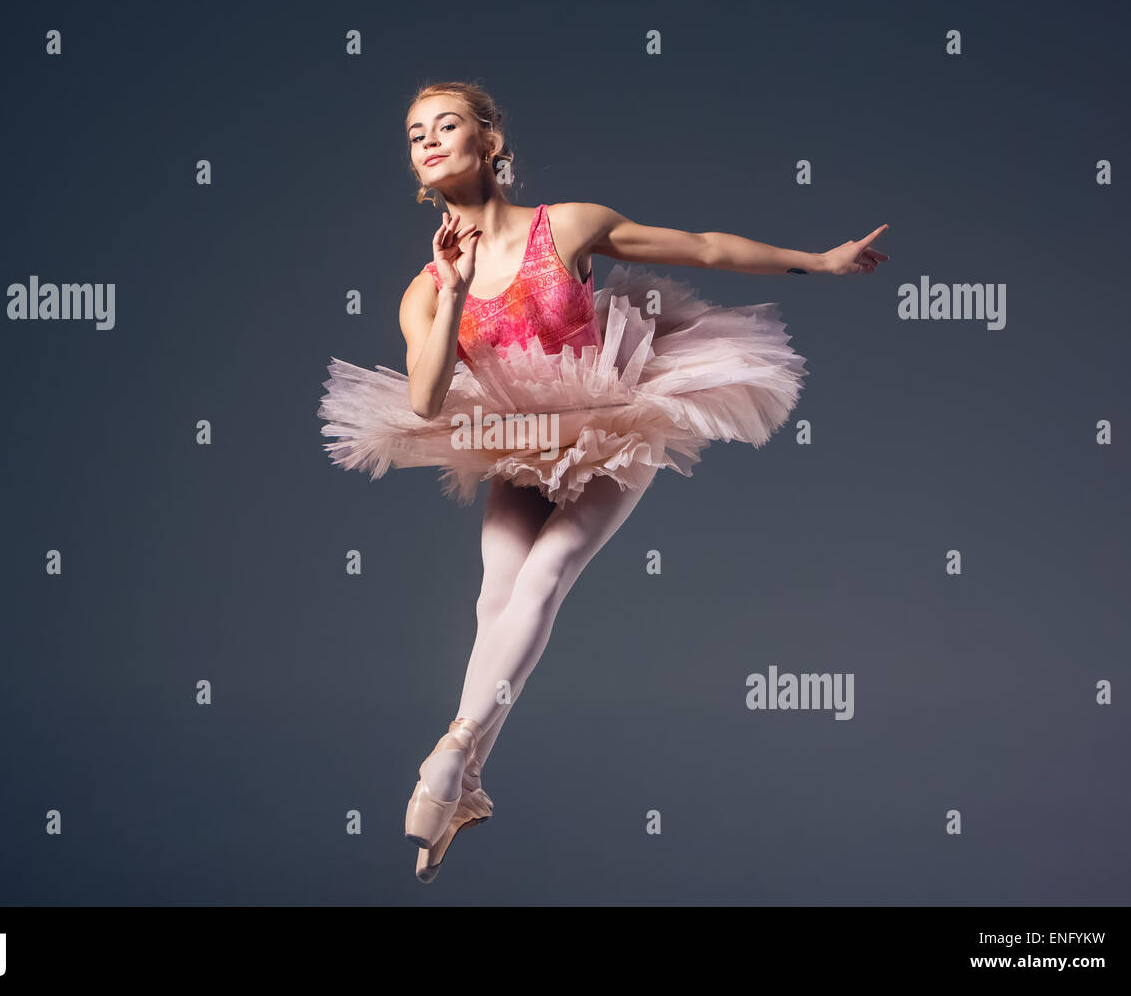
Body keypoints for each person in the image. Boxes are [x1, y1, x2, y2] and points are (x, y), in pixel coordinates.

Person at [318, 80, 889, 882]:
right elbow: (424, 398)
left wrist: (819, 262)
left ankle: (451, 751)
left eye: (446, 125)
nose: (429, 141)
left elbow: (703, 247)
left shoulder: (568, 227)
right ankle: (464, 778)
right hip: (517, 435)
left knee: (545, 575)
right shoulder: (424, 288)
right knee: (495, 597)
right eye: (415, 134)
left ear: (489, 143)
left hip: (616, 414)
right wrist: (450, 291)